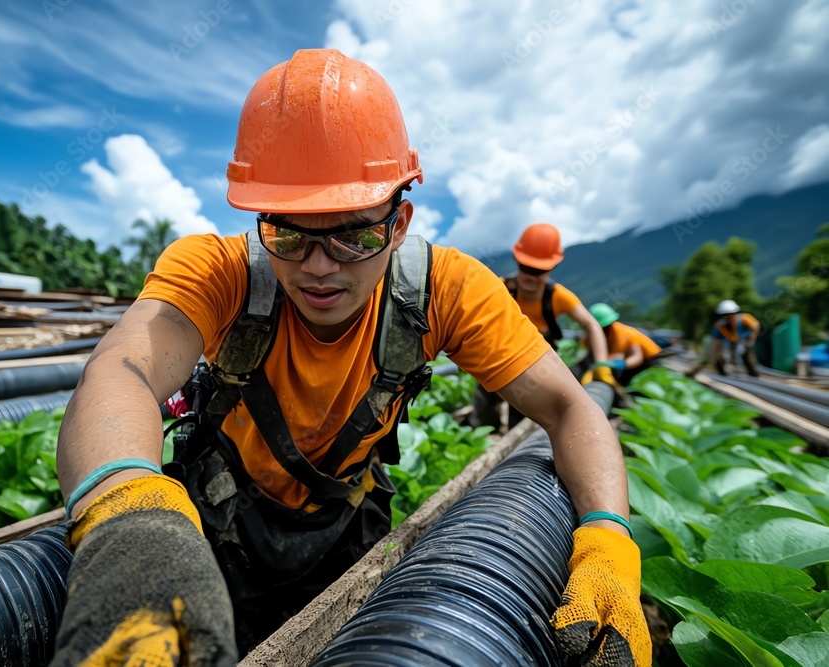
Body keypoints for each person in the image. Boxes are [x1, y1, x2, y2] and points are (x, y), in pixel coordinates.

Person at [51, 49, 650, 667]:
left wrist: (607, 537)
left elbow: (569, 408)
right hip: (218, 526)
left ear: (398, 224)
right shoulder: (219, 271)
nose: (318, 265)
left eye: (355, 235)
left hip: (348, 525)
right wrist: (130, 517)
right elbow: (122, 371)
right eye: (289, 233)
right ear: (259, 218)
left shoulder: (443, 291)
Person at [471, 223, 613, 429]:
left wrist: (601, 364)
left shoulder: (558, 297)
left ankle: (518, 442)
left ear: (551, 268)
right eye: (526, 267)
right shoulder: (499, 289)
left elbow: (591, 325)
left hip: (535, 362)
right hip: (497, 354)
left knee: (525, 406)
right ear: (517, 261)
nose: (530, 276)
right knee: (485, 401)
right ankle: (482, 435)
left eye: (538, 270)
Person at [584, 303, 662, 385]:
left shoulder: (626, 333)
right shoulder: (591, 337)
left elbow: (637, 357)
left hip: (650, 361)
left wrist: (621, 364)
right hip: (628, 365)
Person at [712, 299, 760, 376]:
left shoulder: (745, 318)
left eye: (730, 314)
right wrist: (718, 353)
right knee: (724, 356)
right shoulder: (719, 325)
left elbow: (755, 326)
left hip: (744, 340)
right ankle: (723, 372)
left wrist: (751, 340)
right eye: (726, 315)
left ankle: (753, 373)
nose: (728, 317)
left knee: (746, 356)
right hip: (730, 342)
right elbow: (718, 341)